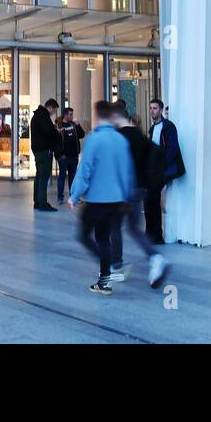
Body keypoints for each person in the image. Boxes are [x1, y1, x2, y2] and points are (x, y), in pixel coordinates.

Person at [68, 100, 135, 295]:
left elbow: (85, 170)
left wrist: (74, 195)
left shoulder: (94, 139)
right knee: (103, 239)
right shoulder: (121, 140)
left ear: (97, 116)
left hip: (97, 201)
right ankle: (104, 280)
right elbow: (127, 172)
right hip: (116, 200)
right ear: (111, 116)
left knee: (84, 236)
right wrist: (127, 197)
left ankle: (110, 268)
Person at [109, 101, 170, 289]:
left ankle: (116, 266)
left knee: (114, 227)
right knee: (133, 228)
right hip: (139, 188)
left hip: (123, 190)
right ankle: (156, 258)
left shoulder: (118, 137)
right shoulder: (140, 134)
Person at [145, 98, 185, 245]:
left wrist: (160, 165)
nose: (152, 111)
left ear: (161, 110)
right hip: (153, 169)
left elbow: (172, 148)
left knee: (153, 199)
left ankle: (156, 236)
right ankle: (150, 234)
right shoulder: (152, 129)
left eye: (155, 108)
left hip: (163, 170)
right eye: (150, 108)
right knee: (149, 199)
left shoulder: (168, 126)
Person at [29, 98, 61, 211]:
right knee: (44, 176)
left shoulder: (36, 116)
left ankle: (37, 201)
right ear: (50, 107)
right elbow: (48, 132)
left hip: (37, 149)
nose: (54, 113)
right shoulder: (43, 116)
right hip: (44, 149)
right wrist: (56, 131)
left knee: (39, 175)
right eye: (54, 110)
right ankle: (42, 202)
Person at [55, 106, 85, 204]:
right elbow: (56, 142)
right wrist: (59, 155)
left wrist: (78, 125)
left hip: (74, 156)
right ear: (65, 115)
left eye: (72, 114)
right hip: (64, 157)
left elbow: (82, 134)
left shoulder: (73, 125)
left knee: (73, 177)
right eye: (70, 114)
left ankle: (73, 196)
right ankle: (60, 197)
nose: (72, 116)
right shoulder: (59, 125)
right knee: (62, 177)